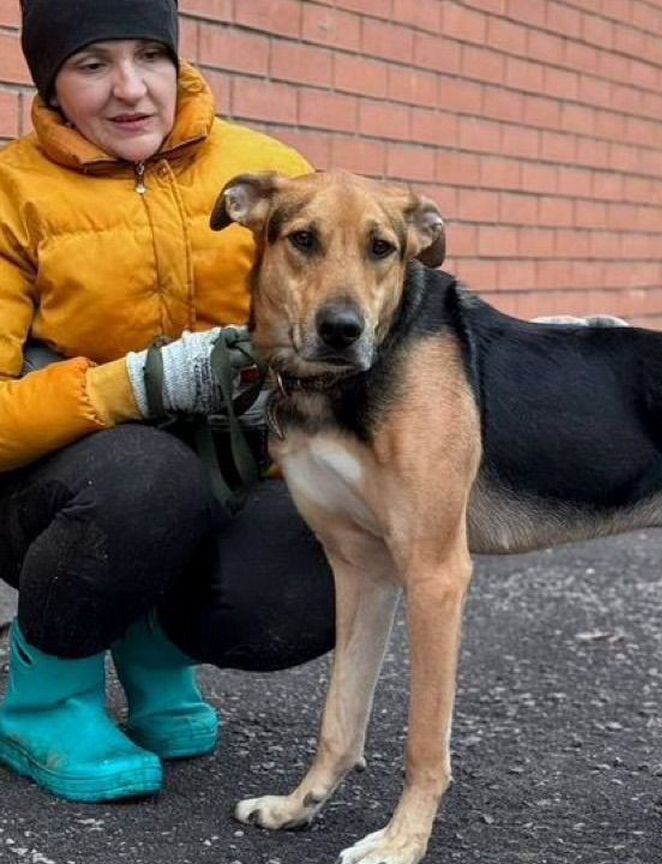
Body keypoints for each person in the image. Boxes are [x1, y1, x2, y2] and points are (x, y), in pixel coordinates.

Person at [0, 0, 335, 803]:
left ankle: (150, 640)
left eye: (150, 55)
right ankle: (46, 696)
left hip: (218, 475)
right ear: (50, 82)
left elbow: (344, 312)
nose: (130, 90)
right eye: (91, 65)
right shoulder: (14, 194)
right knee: (147, 476)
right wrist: (133, 385)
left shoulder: (268, 173)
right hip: (52, 491)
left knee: (315, 565)